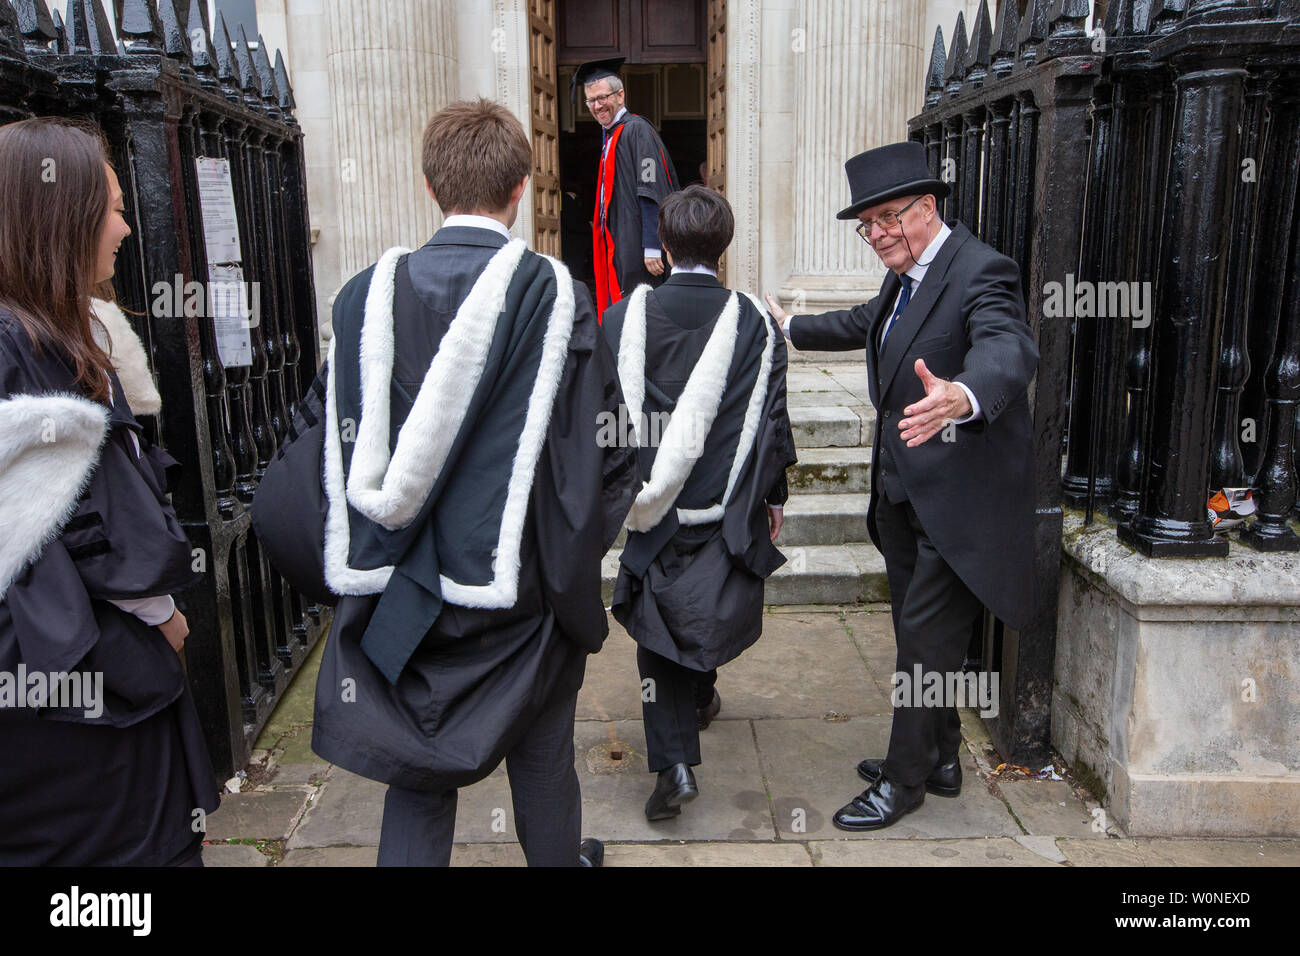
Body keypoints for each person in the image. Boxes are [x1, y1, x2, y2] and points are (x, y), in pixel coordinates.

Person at [309, 98, 638, 867]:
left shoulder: (361, 299)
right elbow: (606, 451)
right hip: (519, 589)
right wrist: (572, 556)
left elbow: (324, 444)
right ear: (523, 187)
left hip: (400, 589)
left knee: (417, 774)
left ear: (429, 186)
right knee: (545, 752)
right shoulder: (559, 297)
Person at [765, 141, 1038, 831]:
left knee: (921, 642)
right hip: (901, 499)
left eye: (889, 217)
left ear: (929, 205)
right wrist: (789, 325)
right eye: (868, 226)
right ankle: (941, 756)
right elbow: (865, 323)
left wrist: (966, 394)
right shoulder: (906, 274)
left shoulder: (979, 269)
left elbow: (1009, 346)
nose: (879, 234)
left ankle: (905, 781)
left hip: (958, 507)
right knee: (925, 642)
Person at [0, 117, 220, 865]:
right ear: (59, 217)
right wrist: (162, 613)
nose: (126, 228)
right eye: (114, 208)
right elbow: (92, 521)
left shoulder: (41, 332)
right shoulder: (31, 348)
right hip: (78, 682)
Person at [602, 185, 795, 821]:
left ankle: (675, 762)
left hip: (650, 504)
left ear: (663, 244)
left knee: (659, 626)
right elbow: (771, 423)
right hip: (722, 502)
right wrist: (774, 496)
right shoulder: (758, 324)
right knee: (704, 601)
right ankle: (693, 716)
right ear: (724, 246)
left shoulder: (620, 318)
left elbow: (601, 421)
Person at [573, 57, 680, 320]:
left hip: (637, 244)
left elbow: (650, 184)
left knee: (641, 306)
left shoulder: (637, 131)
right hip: (619, 240)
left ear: (620, 95)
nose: (597, 106)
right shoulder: (610, 136)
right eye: (591, 101)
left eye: (602, 97)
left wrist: (653, 245)